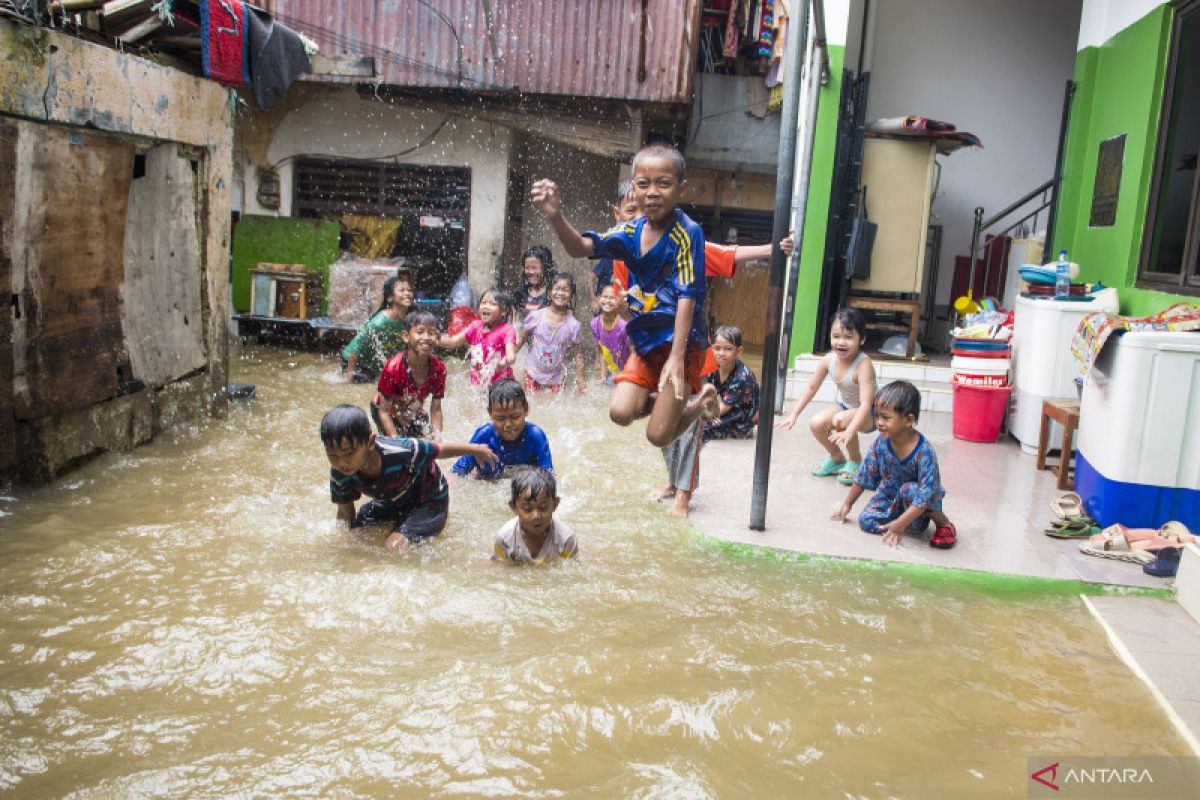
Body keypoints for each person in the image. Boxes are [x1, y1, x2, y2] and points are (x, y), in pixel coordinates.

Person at [531, 144, 716, 448]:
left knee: (658, 436)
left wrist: (676, 358)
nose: (652, 192)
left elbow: (687, 296)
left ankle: (700, 404)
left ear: (681, 189)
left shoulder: (688, 232)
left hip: (682, 344)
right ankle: (665, 400)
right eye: (643, 184)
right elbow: (580, 248)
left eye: (664, 184)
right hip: (647, 341)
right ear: (633, 188)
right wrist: (555, 215)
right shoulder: (630, 232)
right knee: (619, 413)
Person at [320, 404, 498, 552]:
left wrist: (476, 449)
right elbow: (345, 512)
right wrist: (343, 540)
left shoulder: (402, 450)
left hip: (430, 501)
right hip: (391, 502)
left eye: (349, 453)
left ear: (370, 442)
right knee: (354, 537)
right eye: (332, 455)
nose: (341, 462)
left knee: (393, 547)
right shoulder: (340, 473)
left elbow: (439, 449)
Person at [831, 381, 957, 549]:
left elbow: (926, 494)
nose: (879, 422)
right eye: (877, 416)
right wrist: (847, 505)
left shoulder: (924, 452)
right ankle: (896, 524)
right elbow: (864, 475)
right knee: (865, 521)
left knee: (912, 490)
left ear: (909, 420)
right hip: (890, 497)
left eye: (886, 417)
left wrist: (900, 524)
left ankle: (944, 525)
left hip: (918, 503)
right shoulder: (880, 443)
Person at [775, 308, 877, 485]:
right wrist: (794, 414)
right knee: (816, 423)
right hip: (847, 408)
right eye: (836, 336)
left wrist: (850, 431)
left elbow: (866, 404)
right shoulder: (829, 360)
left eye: (848, 337)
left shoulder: (863, 365)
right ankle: (837, 458)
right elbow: (811, 387)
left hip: (871, 413)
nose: (841, 342)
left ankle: (855, 461)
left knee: (840, 420)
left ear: (861, 339)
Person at [451, 379, 554, 479]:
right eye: (500, 418)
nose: (508, 424)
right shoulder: (483, 437)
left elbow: (549, 477)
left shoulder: (535, 437)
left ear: (526, 409)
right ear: (490, 413)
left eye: (515, 417)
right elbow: (456, 473)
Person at [371, 309, 446, 439]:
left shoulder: (439, 369)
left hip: (413, 411)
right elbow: (383, 411)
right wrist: (396, 441)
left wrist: (437, 436)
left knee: (426, 442)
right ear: (406, 336)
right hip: (385, 412)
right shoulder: (393, 368)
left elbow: (436, 409)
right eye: (420, 332)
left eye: (431, 333)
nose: (426, 338)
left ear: (438, 339)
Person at [340, 270, 415, 383]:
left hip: (374, 362)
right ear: (390, 298)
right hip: (356, 362)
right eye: (402, 290)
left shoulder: (411, 318)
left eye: (409, 290)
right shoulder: (379, 322)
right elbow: (355, 349)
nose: (407, 293)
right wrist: (349, 377)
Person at [517, 271, 586, 393]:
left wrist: (581, 382)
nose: (560, 293)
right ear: (549, 292)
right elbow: (521, 339)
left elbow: (578, 354)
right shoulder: (536, 316)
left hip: (555, 378)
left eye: (565, 290)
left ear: (571, 295)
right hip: (532, 372)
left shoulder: (573, 325)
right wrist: (507, 357)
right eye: (557, 289)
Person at [491, 468, 578, 564]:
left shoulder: (566, 540)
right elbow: (499, 568)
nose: (536, 516)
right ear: (514, 507)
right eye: (527, 508)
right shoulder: (505, 539)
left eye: (543, 507)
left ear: (555, 504)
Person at [438, 288, 517, 386]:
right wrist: (434, 338)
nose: (486, 306)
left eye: (492, 304)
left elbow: (511, 356)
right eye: (483, 303)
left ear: (503, 311)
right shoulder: (475, 326)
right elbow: (453, 341)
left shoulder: (506, 330)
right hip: (478, 384)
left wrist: (504, 362)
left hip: (501, 385)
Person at [588, 181, 639, 313]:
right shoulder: (618, 257)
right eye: (631, 211)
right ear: (617, 213)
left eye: (645, 211)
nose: (639, 219)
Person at [702, 325, 759, 442]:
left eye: (728, 349)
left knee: (701, 430)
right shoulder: (714, 368)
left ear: (739, 351)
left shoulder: (741, 378)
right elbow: (706, 395)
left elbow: (720, 410)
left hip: (741, 421)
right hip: (729, 411)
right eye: (717, 348)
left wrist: (697, 418)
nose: (721, 353)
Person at [591, 283, 631, 386]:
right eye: (604, 297)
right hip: (612, 374)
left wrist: (627, 375)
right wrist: (603, 377)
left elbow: (633, 353)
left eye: (612, 298)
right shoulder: (595, 324)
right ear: (599, 299)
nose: (607, 301)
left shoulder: (623, 326)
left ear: (619, 301)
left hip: (628, 374)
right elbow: (602, 352)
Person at [511, 245, 555, 318]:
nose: (531, 272)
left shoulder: (553, 293)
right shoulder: (520, 293)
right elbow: (515, 320)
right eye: (527, 268)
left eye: (535, 268)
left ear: (546, 268)